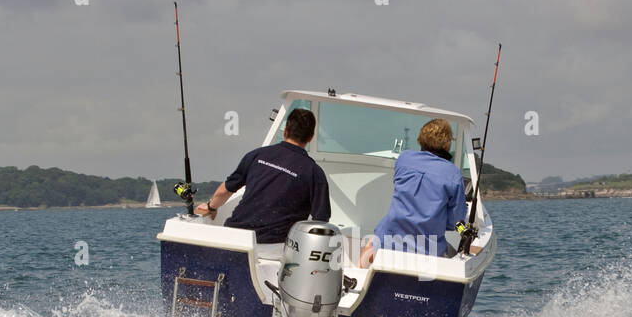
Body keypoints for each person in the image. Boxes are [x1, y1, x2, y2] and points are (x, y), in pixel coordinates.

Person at [195, 107, 330, 248]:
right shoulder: (314, 172)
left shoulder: (256, 155)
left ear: (285, 131)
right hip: (273, 247)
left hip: (235, 237)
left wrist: (211, 207)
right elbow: (320, 222)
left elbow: (225, 191)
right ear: (311, 137)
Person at [359, 118, 467, 267]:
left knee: (372, 242)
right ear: (446, 143)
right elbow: (455, 221)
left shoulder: (404, 159)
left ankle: (362, 277)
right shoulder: (453, 174)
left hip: (388, 240)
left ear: (421, 139)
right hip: (427, 249)